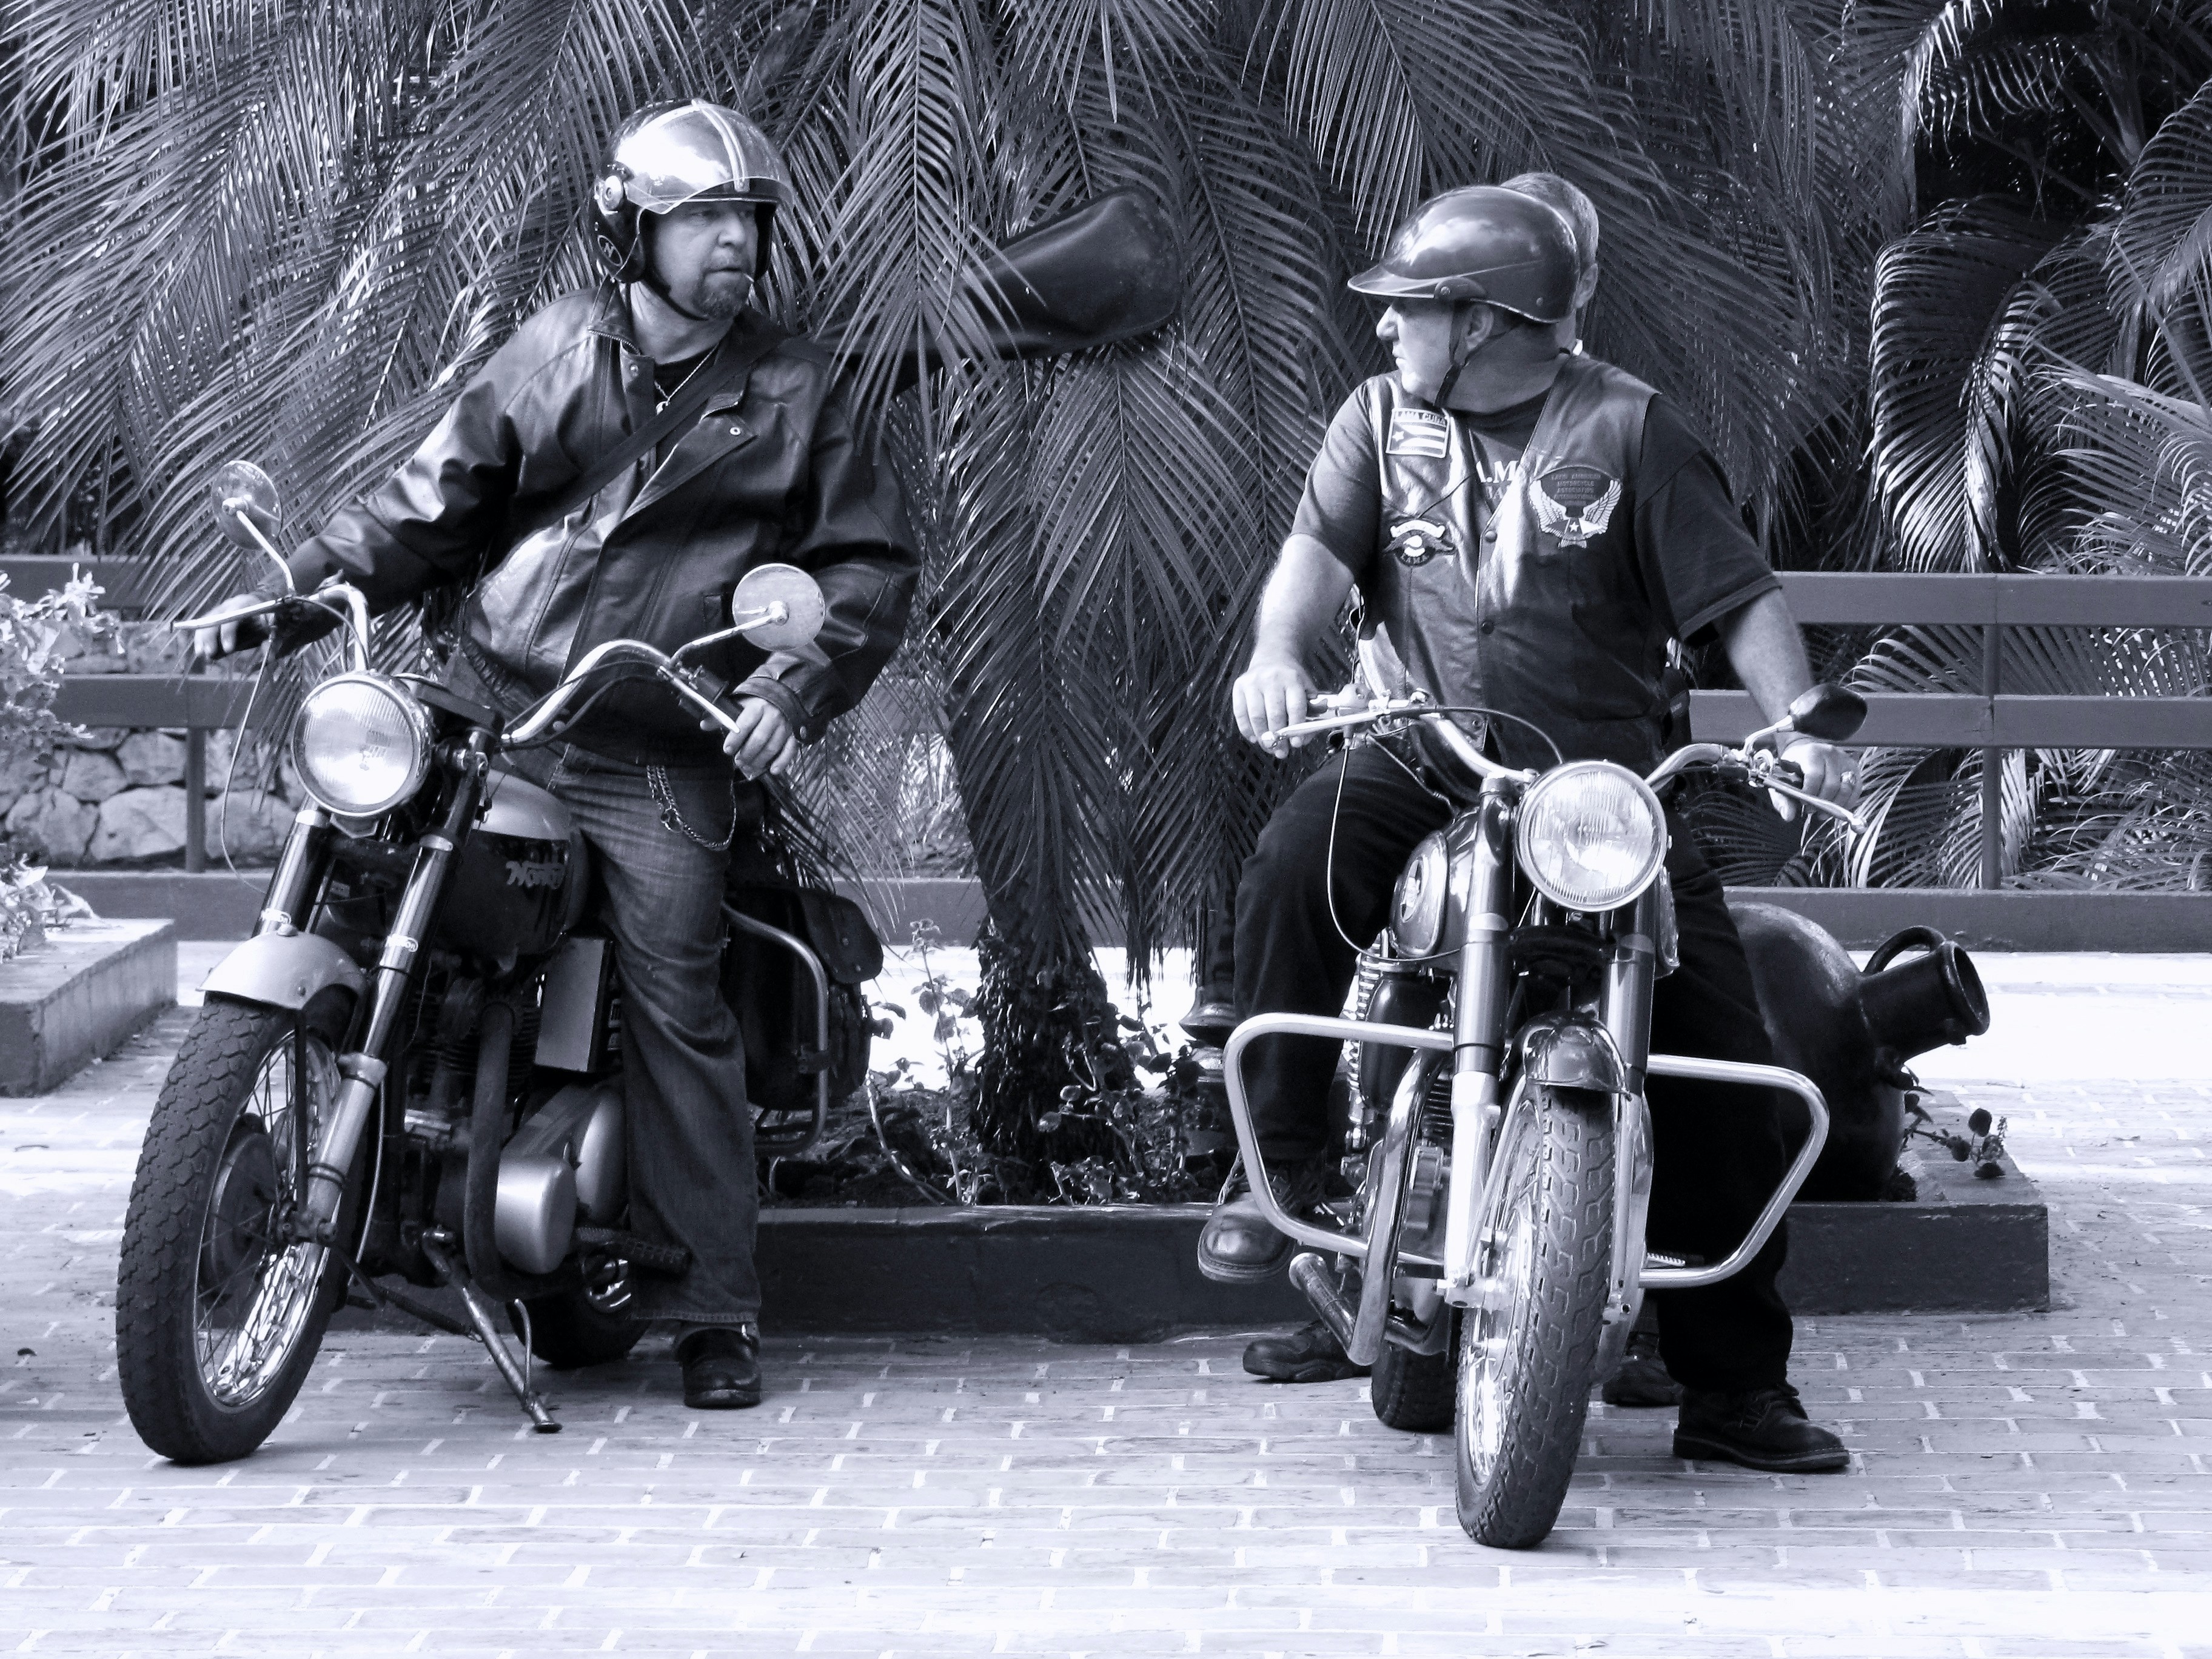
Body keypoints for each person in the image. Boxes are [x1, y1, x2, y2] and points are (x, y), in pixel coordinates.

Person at [193, 101, 920, 1412]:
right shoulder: (555, 351)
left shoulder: (798, 387)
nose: (729, 244)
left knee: (676, 1002)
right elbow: (431, 505)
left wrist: (793, 687)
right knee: (361, 890)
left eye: (744, 221)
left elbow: (864, 566)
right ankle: (352, 1194)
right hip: (489, 700)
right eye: (700, 220)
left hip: (654, 736)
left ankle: (711, 1308)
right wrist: (294, 592)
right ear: (631, 232)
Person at [1202, 176, 1855, 1473]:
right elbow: (1312, 569)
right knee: (1291, 864)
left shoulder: (1632, 432)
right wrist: (1278, 657)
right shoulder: (1379, 422)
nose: (1387, 331)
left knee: (1728, 1055)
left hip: (1600, 791)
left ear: (1487, 323)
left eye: (1411, 311)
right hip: (1430, 747)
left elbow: (1738, 598)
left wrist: (1791, 729)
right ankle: (1276, 1165)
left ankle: (1736, 1387)